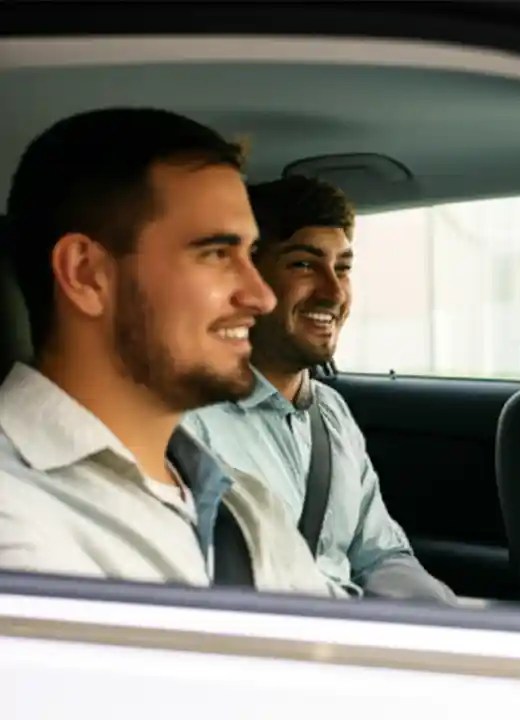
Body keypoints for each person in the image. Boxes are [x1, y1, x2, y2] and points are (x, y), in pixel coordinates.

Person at [0, 108, 342, 595]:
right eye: (216, 253)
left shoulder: (242, 504)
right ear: (86, 275)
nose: (261, 296)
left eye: (249, 253)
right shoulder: (17, 518)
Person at [183, 177, 456, 602]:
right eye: (304, 265)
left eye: (343, 268)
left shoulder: (331, 413)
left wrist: (443, 619)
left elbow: (380, 556)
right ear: (248, 281)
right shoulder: (190, 421)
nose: (333, 292)